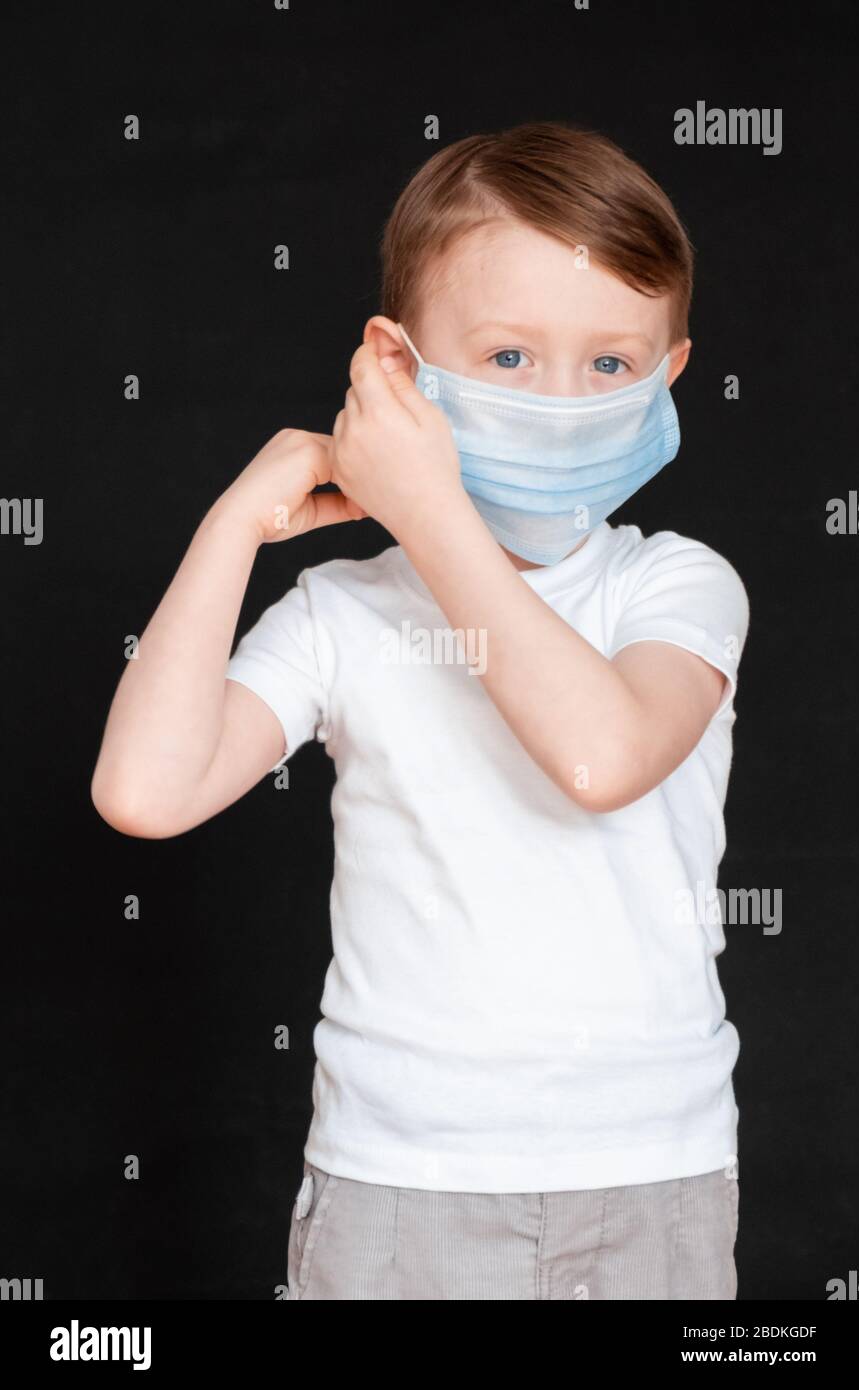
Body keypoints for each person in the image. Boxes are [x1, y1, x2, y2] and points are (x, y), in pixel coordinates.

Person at [92, 121, 748, 1300]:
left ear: (669, 374)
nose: (559, 401)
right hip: (401, 1183)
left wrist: (424, 503)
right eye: (506, 358)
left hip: (656, 1173)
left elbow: (598, 754)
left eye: (609, 364)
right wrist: (234, 523)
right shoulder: (343, 614)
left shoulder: (675, 585)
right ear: (397, 370)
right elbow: (146, 791)